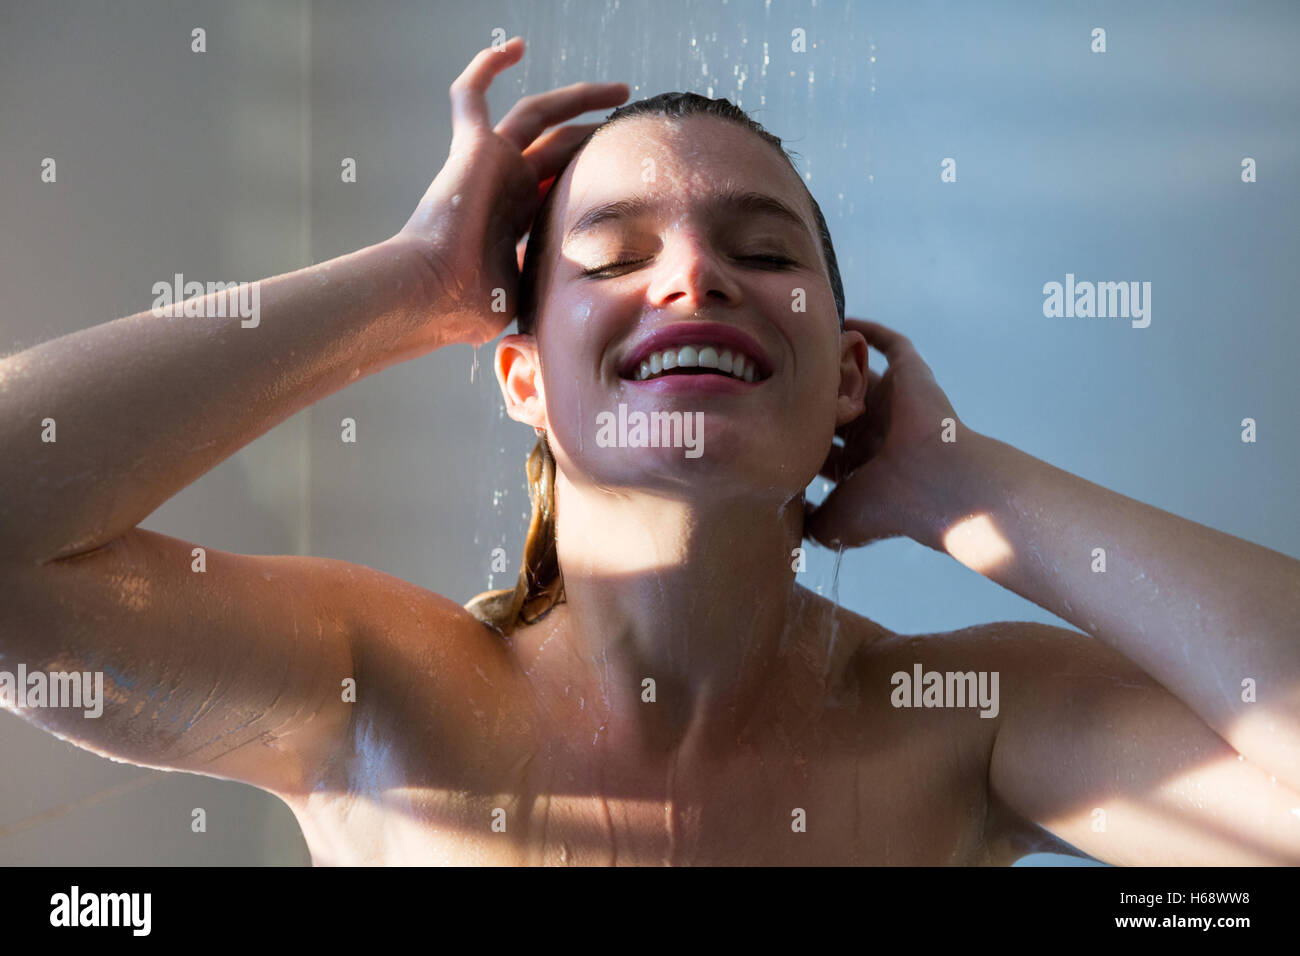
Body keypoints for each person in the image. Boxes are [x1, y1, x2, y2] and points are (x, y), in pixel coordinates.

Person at [2, 36, 1298, 866]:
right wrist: (408, 283)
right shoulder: (373, 693)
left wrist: (967, 481)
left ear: (847, 372)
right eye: (614, 256)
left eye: (764, 252)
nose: (693, 279)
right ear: (522, 373)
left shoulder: (961, 726)